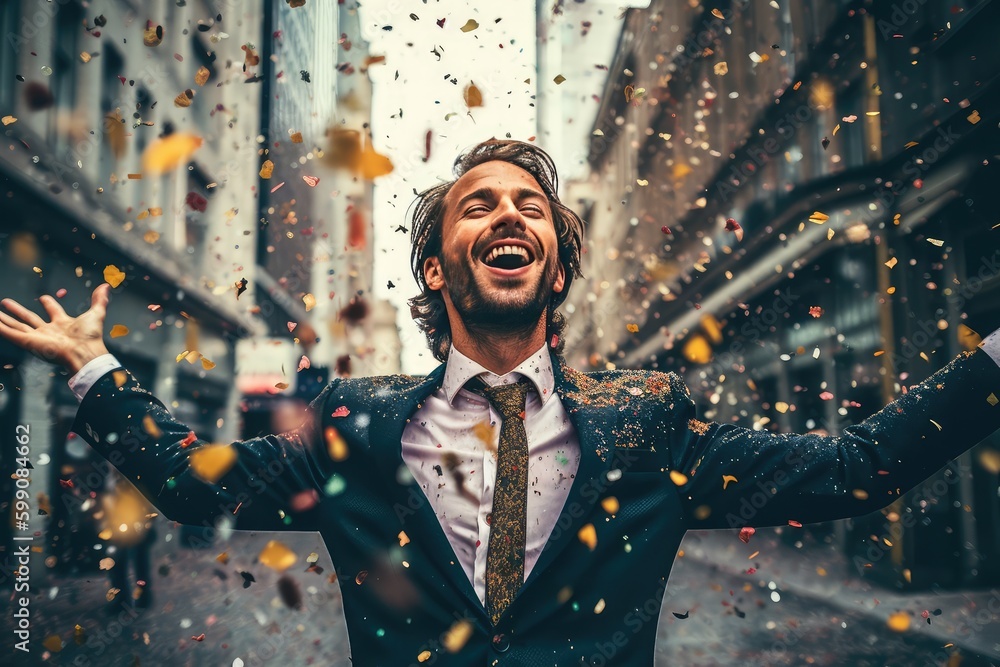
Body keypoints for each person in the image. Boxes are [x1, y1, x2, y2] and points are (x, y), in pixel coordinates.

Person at [2, 139, 1000, 666]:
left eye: (530, 207)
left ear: (558, 262)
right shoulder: (352, 422)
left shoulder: (651, 422)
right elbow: (187, 481)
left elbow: (859, 466)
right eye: (478, 203)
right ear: (437, 269)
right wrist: (95, 371)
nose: (508, 213)